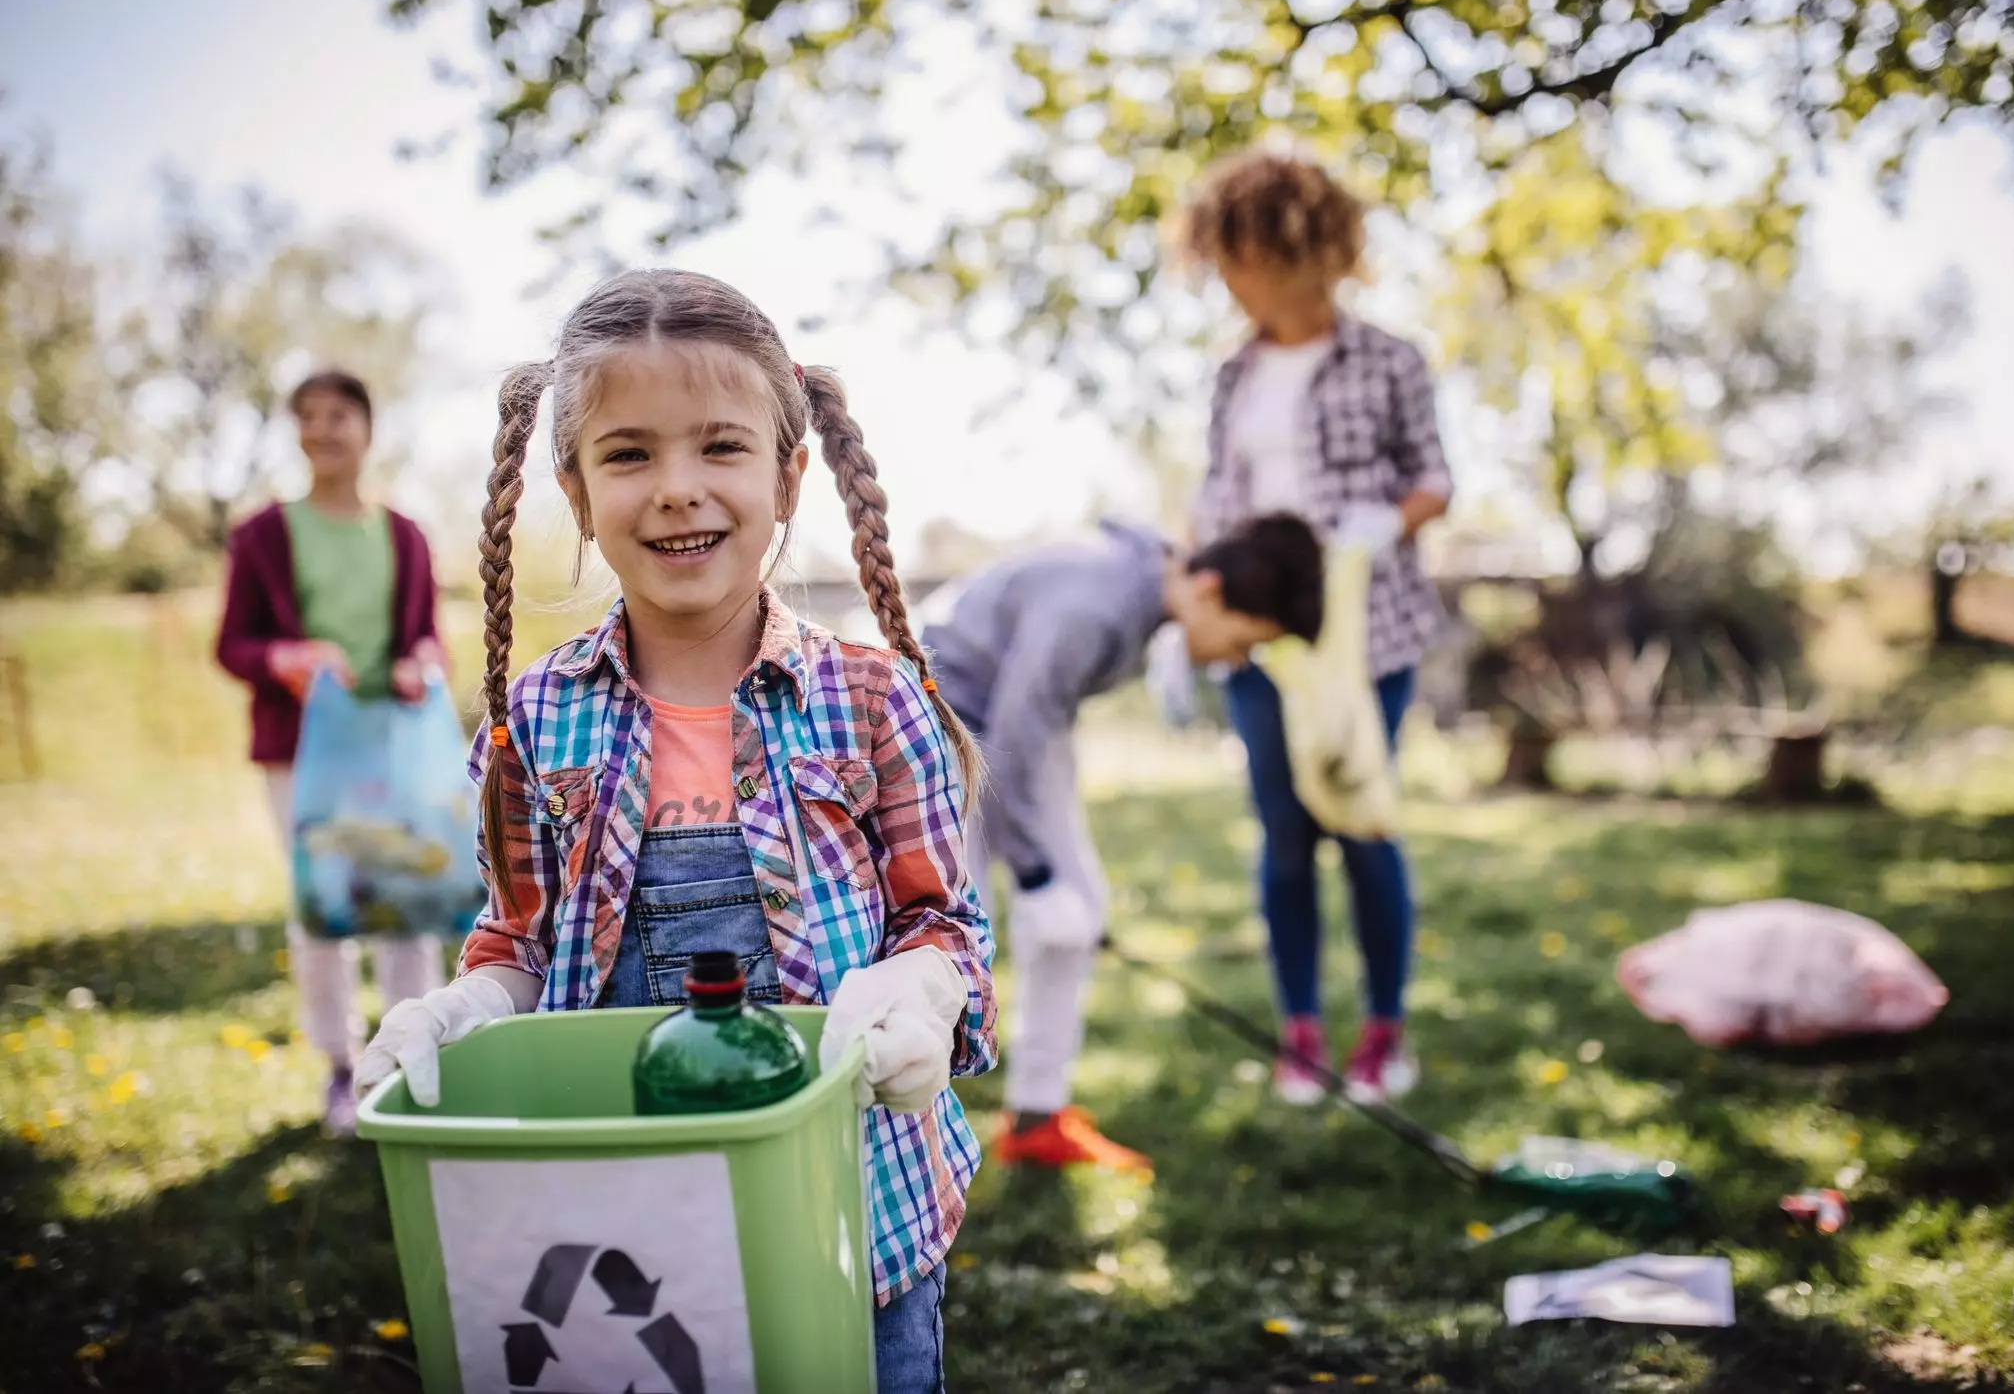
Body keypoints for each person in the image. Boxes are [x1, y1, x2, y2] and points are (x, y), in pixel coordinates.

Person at [350, 270, 994, 1394]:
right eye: (630, 453)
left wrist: (926, 995)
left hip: (856, 1222)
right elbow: (519, 941)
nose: (677, 491)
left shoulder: (874, 701)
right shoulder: (534, 719)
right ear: (576, 488)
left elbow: (947, 926)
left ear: (790, 476)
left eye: (722, 448)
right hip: (608, 1234)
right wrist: (465, 1008)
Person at [1175, 148, 1455, 1106]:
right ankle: (1301, 1032)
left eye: (1245, 258)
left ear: (1303, 251)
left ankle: (1384, 1032)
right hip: (1263, 640)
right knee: (1283, 835)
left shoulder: (1389, 361)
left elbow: (1433, 478)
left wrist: (1387, 523)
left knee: (1363, 826)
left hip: (1365, 636)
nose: (1232, 280)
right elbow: (1213, 496)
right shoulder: (1232, 376)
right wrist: (1193, 591)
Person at [925, 514, 1325, 1171]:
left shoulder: (1154, 585)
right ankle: (908, 1137)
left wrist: (1051, 881)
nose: (1232, 661)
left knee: (1078, 911)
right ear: (1209, 591)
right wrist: (1031, 874)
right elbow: (1009, 739)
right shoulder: (1096, 606)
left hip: (1013, 728)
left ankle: (1036, 1118)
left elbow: (1032, 726)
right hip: (942, 725)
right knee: (952, 939)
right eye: (1242, 642)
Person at [214, 369, 448, 1139]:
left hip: (393, 744)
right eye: (307, 416)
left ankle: (416, 1055)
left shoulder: (405, 535)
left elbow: (424, 637)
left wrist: (420, 660)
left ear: (367, 428)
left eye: (338, 414)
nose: (322, 429)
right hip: (304, 750)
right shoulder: (263, 536)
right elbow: (233, 645)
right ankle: (342, 1068)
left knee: (406, 906)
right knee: (325, 909)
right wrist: (286, 655)